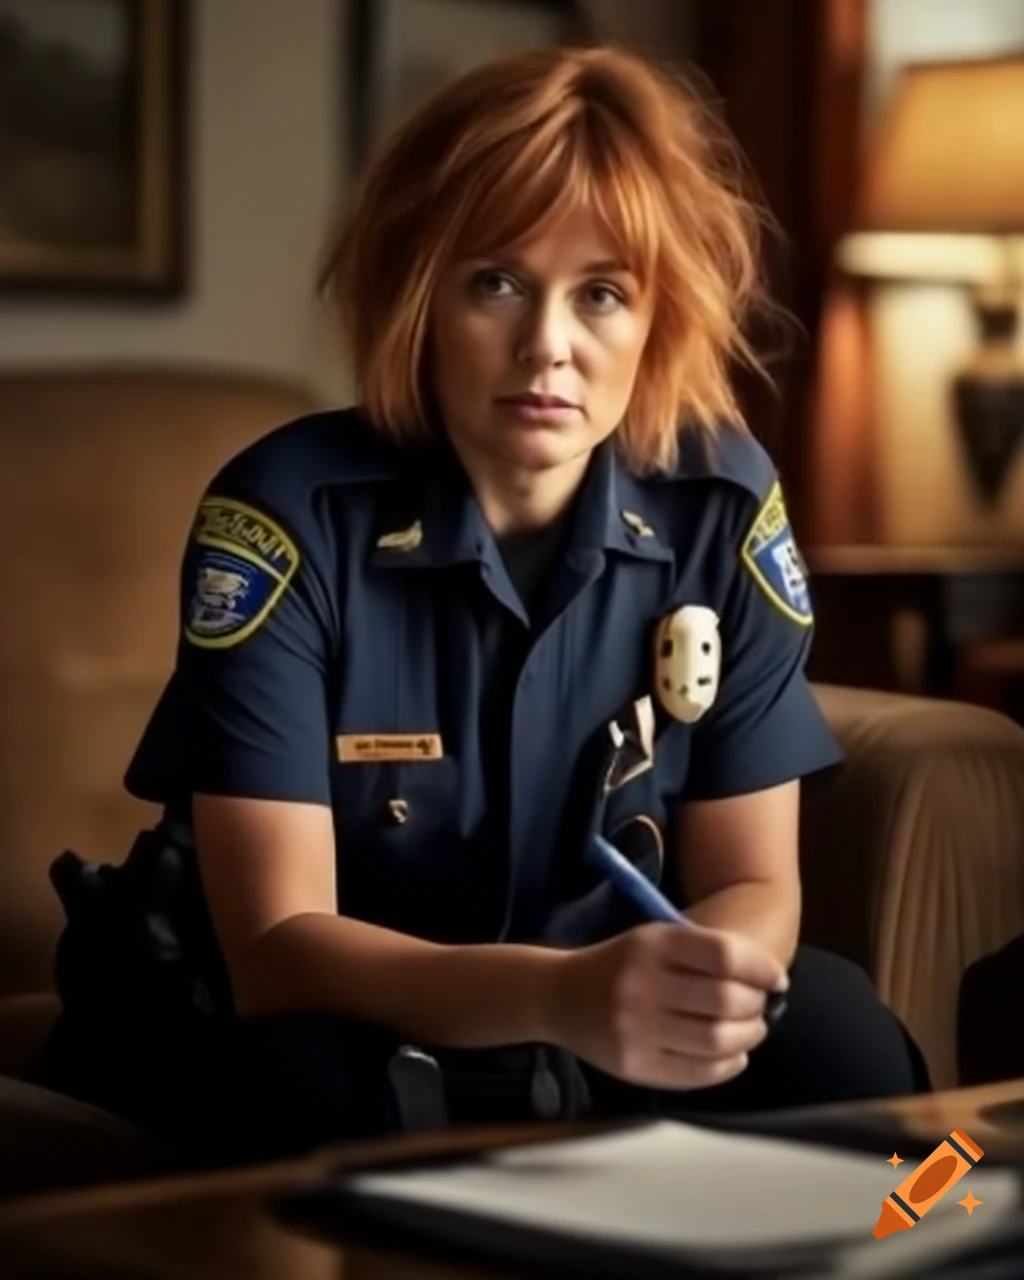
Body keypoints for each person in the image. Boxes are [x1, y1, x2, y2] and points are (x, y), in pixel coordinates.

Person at [38, 43, 930, 1164]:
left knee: (846, 1037)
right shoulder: (282, 517)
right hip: (351, 1020)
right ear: (421, 296)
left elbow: (755, 882)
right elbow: (277, 946)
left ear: (657, 316)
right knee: (304, 1084)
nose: (548, 345)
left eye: (602, 293)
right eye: (497, 282)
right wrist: (561, 997)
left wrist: (697, 984)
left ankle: (939, 1229)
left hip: (608, 1025)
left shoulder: (723, 504)